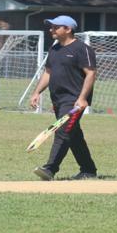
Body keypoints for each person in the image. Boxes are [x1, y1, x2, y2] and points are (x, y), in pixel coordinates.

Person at [27, 15, 100, 181]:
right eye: (51, 27)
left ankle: (50, 169)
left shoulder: (82, 49)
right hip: (58, 100)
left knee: (63, 131)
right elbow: (48, 72)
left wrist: (82, 99)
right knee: (73, 134)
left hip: (74, 101)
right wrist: (36, 92)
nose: (51, 29)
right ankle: (88, 170)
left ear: (68, 29)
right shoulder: (54, 49)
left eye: (55, 27)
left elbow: (91, 74)